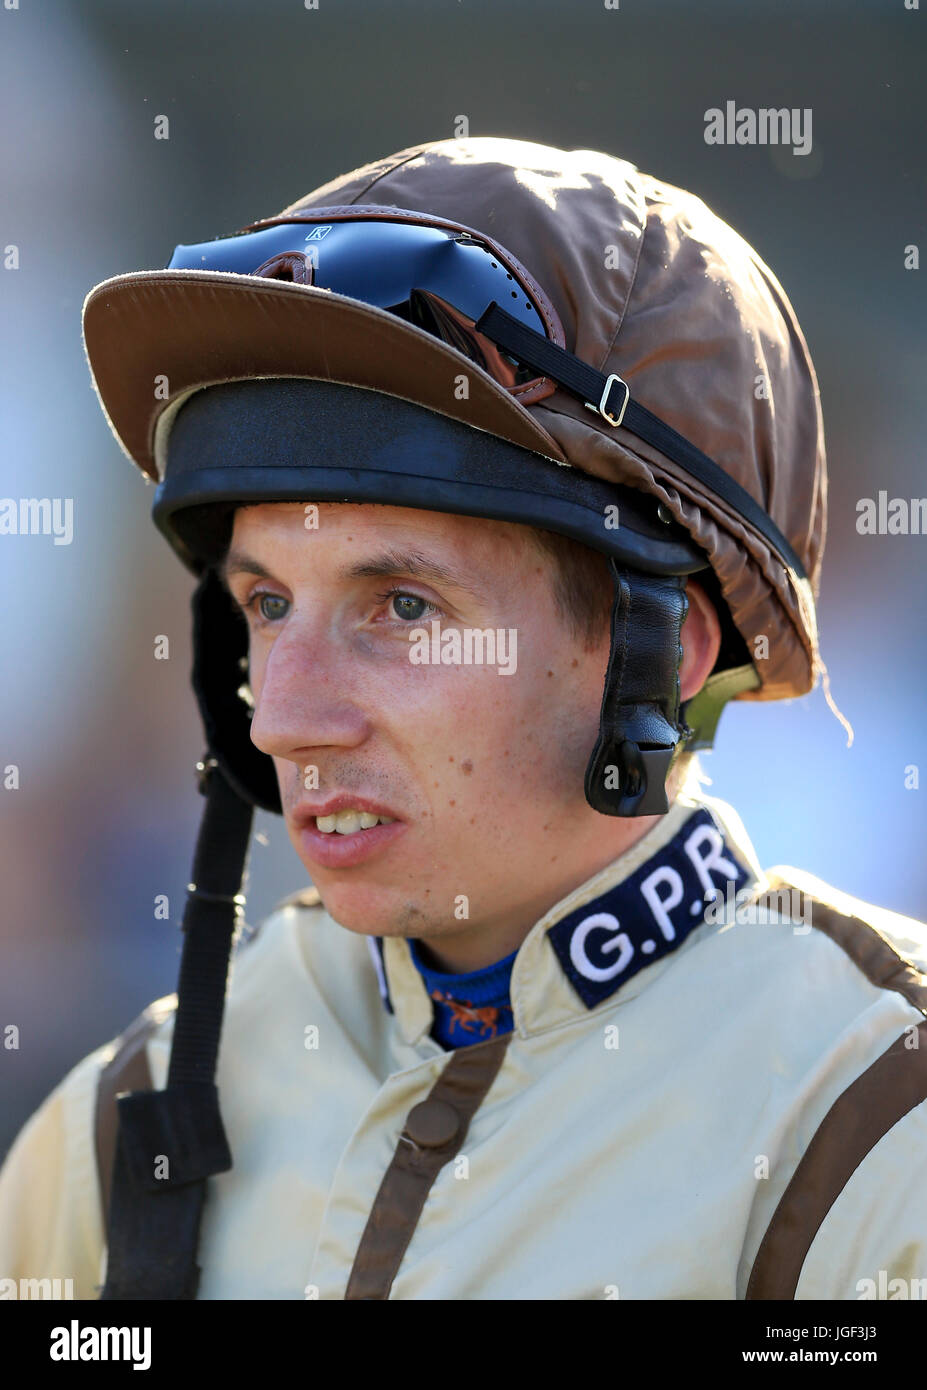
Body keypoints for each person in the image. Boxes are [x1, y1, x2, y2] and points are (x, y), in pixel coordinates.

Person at [1, 136, 925, 1302]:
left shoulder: (882, 1122)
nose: (286, 717)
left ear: (667, 652)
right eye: (268, 603)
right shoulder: (125, 1114)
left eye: (400, 605)